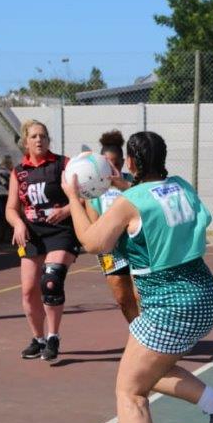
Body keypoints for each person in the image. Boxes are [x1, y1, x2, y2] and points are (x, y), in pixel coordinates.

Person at [62, 131, 213, 423]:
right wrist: (120, 181)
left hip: (169, 305)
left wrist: (74, 198)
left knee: (130, 390)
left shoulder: (129, 203)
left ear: (131, 162)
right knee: (150, 371)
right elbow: (152, 193)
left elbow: (93, 242)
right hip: (204, 295)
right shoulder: (180, 186)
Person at [5, 121, 78, 362]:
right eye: (34, 136)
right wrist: (17, 223)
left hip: (60, 231)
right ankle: (38, 339)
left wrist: (67, 210)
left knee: (51, 280)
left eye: (44, 136)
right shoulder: (19, 172)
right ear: (25, 142)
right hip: (32, 234)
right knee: (28, 291)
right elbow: (11, 209)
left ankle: (53, 336)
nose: (39, 140)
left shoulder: (62, 164)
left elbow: (84, 196)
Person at [86, 130, 139, 323]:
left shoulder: (133, 182)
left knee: (140, 294)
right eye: (108, 164)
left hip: (135, 246)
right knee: (122, 299)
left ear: (123, 162)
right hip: (111, 251)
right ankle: (136, 331)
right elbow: (94, 223)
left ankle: (150, 337)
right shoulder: (94, 187)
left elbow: (147, 203)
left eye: (116, 164)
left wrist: (124, 185)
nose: (112, 169)